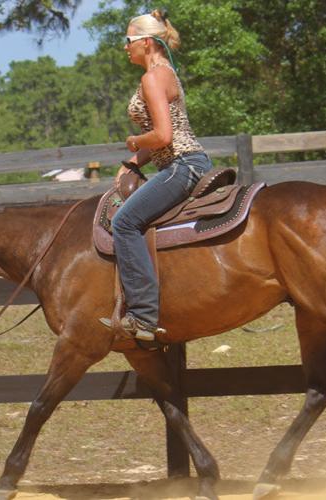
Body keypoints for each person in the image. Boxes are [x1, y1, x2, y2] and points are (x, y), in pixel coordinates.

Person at [107, 10, 213, 342]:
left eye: (129, 41)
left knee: (124, 223)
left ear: (147, 42)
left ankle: (144, 317)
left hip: (182, 165)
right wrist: (133, 161)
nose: (125, 48)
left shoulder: (153, 78)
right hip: (182, 162)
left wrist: (134, 141)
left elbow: (163, 136)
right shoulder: (163, 73)